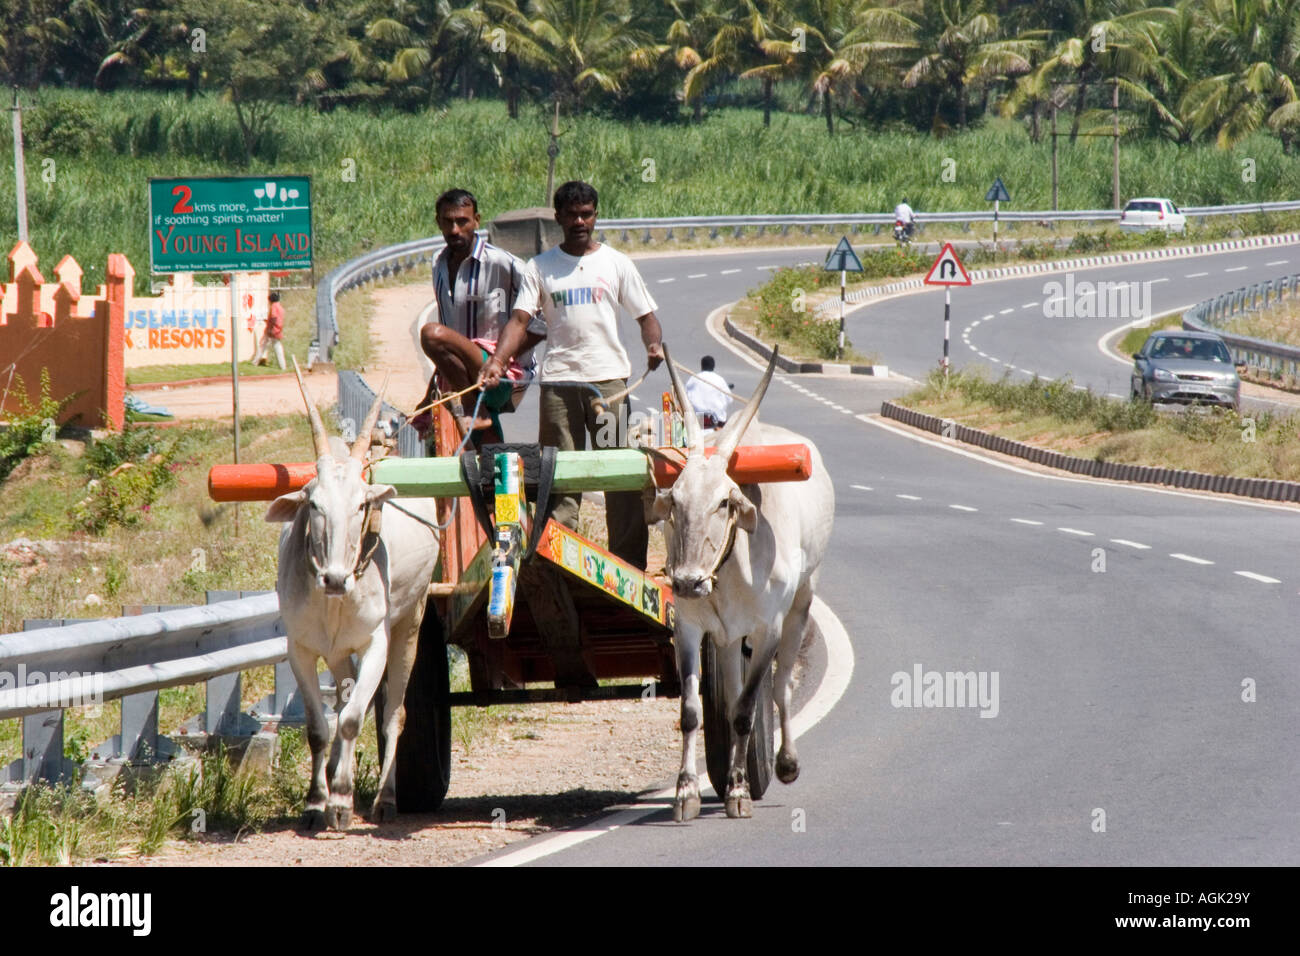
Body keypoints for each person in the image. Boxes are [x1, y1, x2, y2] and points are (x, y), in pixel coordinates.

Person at [482, 180, 663, 570]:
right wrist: (497, 361)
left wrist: (653, 346)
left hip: (609, 386)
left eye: (587, 214)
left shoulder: (616, 263)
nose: (580, 221)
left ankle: (629, 565)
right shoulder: (540, 268)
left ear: (596, 216)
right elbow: (519, 320)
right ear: (559, 218)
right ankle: (560, 563)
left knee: (619, 473)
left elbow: (647, 316)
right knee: (558, 476)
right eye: (572, 215)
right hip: (559, 386)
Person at [411, 188, 546, 443]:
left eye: (462, 221)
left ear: (476, 220)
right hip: (463, 380)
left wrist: (501, 359)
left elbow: (541, 323)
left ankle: (476, 407)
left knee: (432, 334)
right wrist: (429, 393)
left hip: (501, 374)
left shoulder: (505, 264)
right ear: (438, 222)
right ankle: (494, 461)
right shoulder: (438, 264)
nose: (454, 230)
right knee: (478, 453)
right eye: (448, 222)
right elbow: (448, 343)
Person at [684, 355, 732, 429]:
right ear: (713, 366)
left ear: (702, 366)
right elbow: (729, 399)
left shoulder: (694, 378)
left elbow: (685, 395)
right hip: (717, 420)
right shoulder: (720, 380)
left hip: (697, 420)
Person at [253, 291, 286, 368]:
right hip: (278, 329)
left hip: (272, 329)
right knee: (276, 346)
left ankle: (255, 361)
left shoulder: (274, 306)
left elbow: (274, 317)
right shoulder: (280, 307)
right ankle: (282, 365)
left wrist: (270, 328)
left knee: (264, 345)